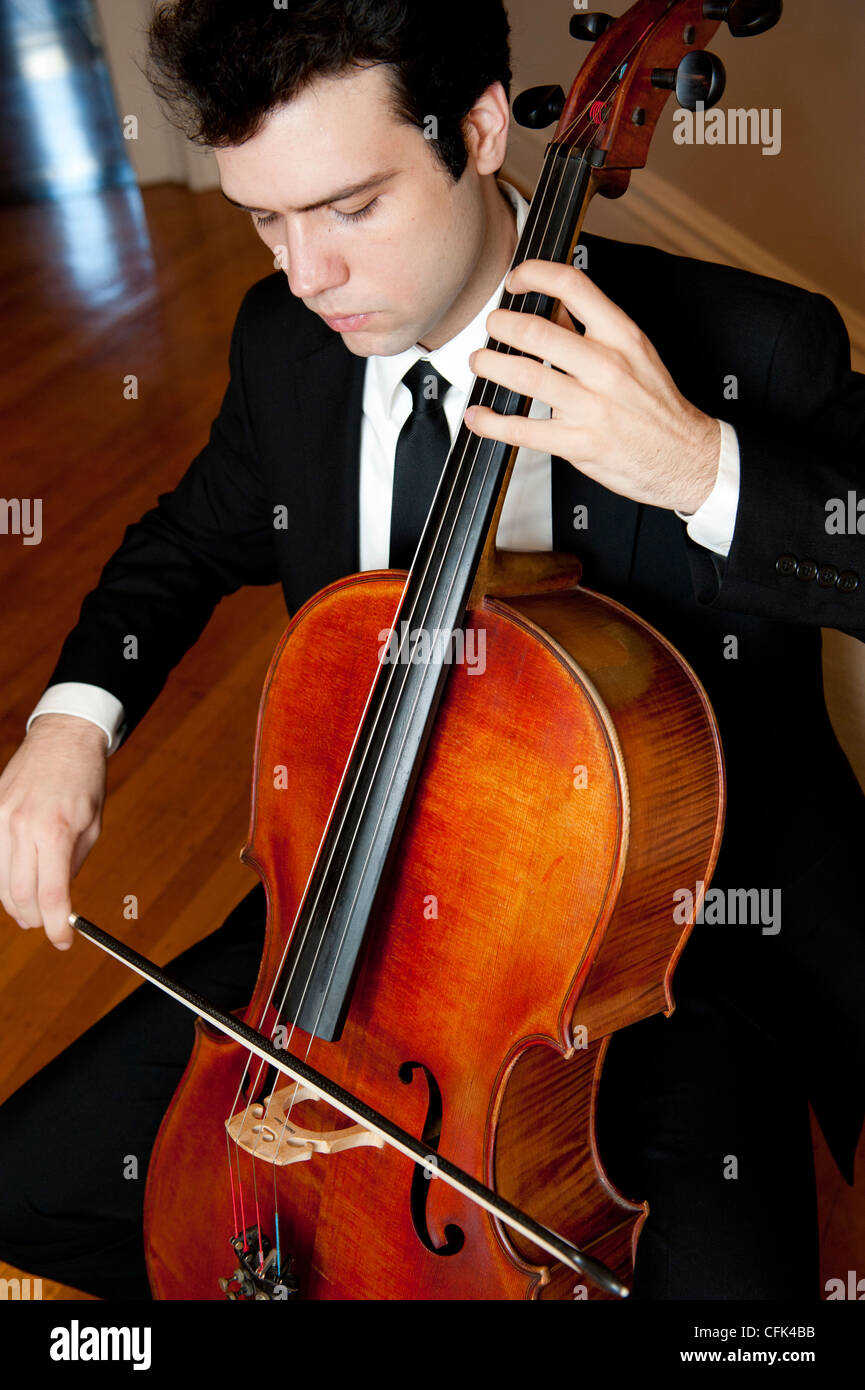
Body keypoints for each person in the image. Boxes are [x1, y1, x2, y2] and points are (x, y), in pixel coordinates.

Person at [0, 0, 863, 1301]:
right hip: (346, 906)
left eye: (351, 208)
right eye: (265, 218)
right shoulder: (285, 345)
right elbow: (183, 543)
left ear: (472, 131)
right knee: (25, 1191)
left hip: (667, 952)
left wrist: (699, 468)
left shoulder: (745, 345)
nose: (307, 273)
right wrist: (73, 717)